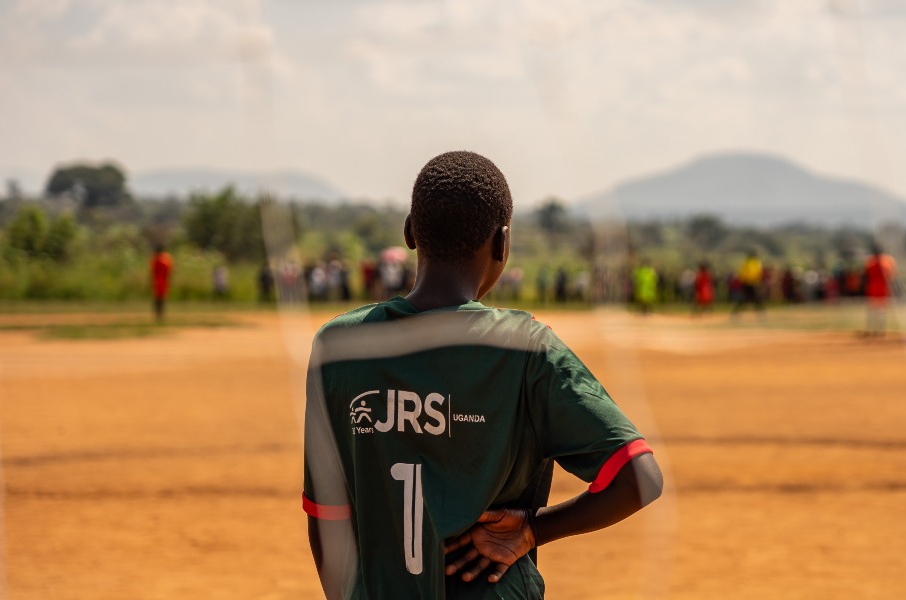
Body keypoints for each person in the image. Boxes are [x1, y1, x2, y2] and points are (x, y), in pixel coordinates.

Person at [302, 151, 663, 600]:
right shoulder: (525, 349)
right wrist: (532, 529)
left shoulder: (338, 347)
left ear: (411, 232)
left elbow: (326, 514)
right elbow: (638, 477)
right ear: (502, 242)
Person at [862, 245, 895, 337]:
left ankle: (871, 331)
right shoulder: (887, 263)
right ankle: (881, 331)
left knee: (872, 312)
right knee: (881, 312)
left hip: (873, 289)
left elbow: (865, 276)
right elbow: (890, 278)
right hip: (883, 289)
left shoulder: (870, 263)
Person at [731, 251, 764, 318]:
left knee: (744, 298)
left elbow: (741, 273)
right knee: (756, 298)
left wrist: (742, 281)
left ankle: (736, 313)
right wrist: (759, 281)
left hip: (746, 283)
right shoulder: (757, 263)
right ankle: (760, 313)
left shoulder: (745, 263)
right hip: (754, 283)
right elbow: (760, 273)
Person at [149, 244, 173, 323]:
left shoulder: (156, 259)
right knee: (161, 299)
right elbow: (169, 271)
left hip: (157, 281)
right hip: (164, 281)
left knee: (158, 300)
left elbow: (152, 272)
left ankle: (158, 315)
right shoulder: (166, 259)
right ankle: (161, 315)